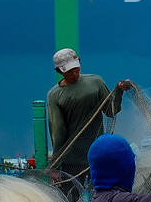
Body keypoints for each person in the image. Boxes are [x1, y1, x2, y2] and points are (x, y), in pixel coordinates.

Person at [46, 48, 132, 192]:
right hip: (71, 161)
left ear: (79, 63)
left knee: (102, 197)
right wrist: (55, 166)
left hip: (98, 156)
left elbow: (111, 111)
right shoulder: (54, 95)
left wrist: (119, 91)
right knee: (70, 201)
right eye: (69, 71)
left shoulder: (95, 82)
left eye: (76, 68)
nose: (74, 73)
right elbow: (58, 132)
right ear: (59, 71)